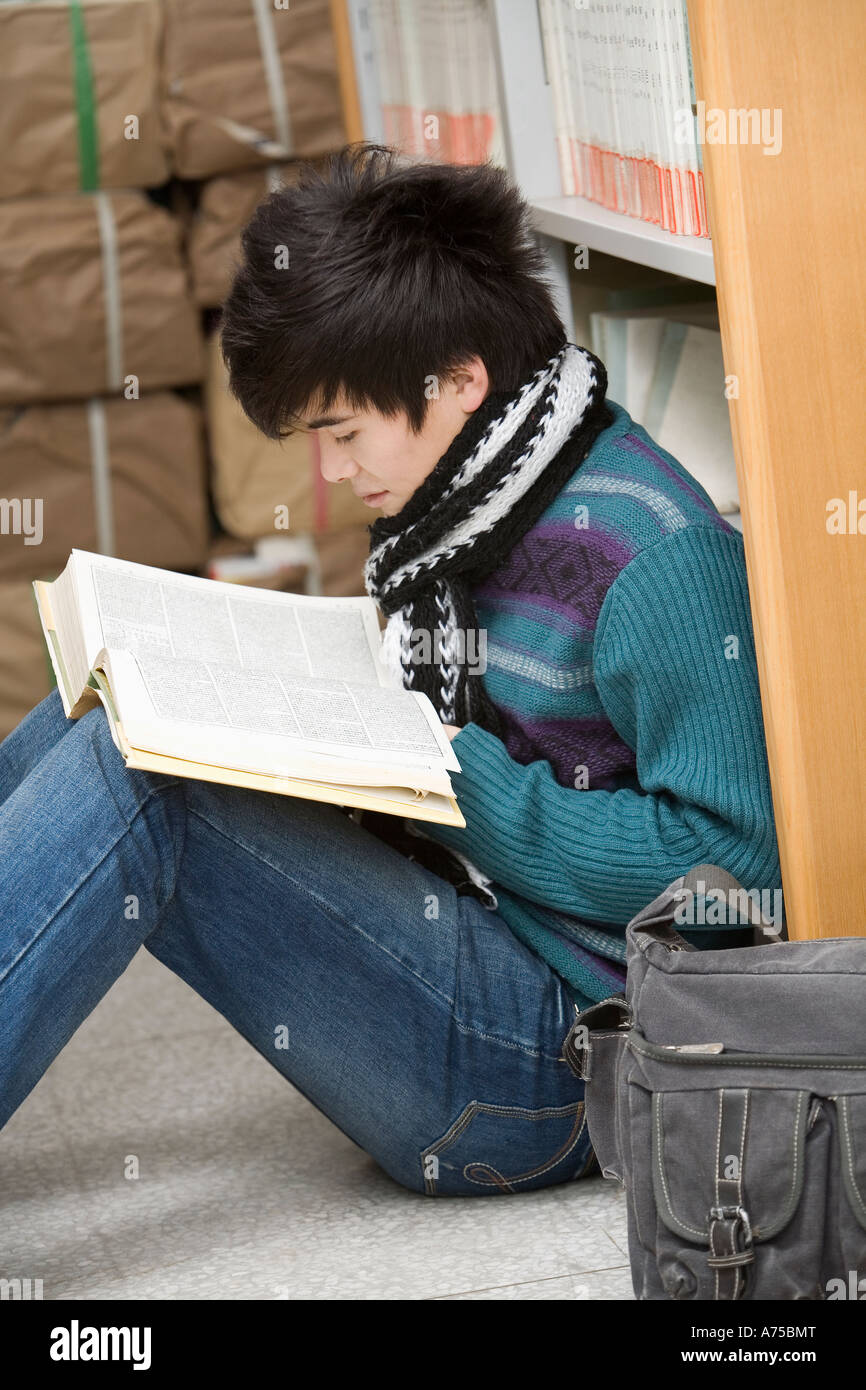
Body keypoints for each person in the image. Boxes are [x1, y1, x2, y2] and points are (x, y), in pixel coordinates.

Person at [0, 144, 780, 1197]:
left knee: (138, 774)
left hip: (562, 1065)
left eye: (340, 431)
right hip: (467, 935)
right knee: (104, 700)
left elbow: (734, 869)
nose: (326, 473)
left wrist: (443, 773)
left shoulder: (650, 552)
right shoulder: (457, 511)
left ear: (460, 378)